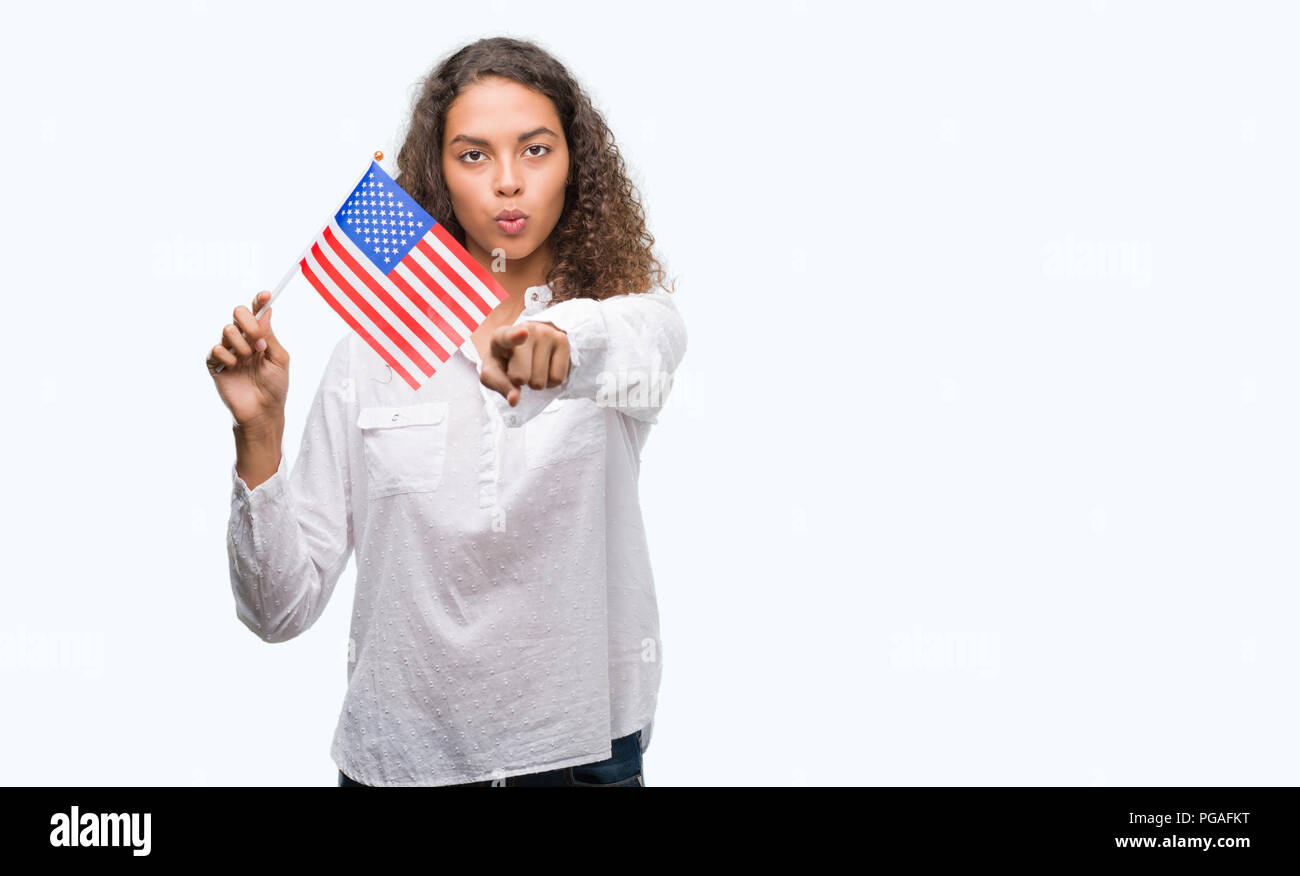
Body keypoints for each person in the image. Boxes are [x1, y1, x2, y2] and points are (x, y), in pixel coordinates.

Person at [204, 36, 686, 787]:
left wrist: (556, 344)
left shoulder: (629, 326)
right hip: (400, 763)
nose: (506, 182)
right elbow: (278, 611)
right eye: (472, 155)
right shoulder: (367, 358)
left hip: (581, 755)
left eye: (535, 150)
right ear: (439, 173)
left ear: (575, 165)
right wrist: (257, 433)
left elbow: (641, 342)